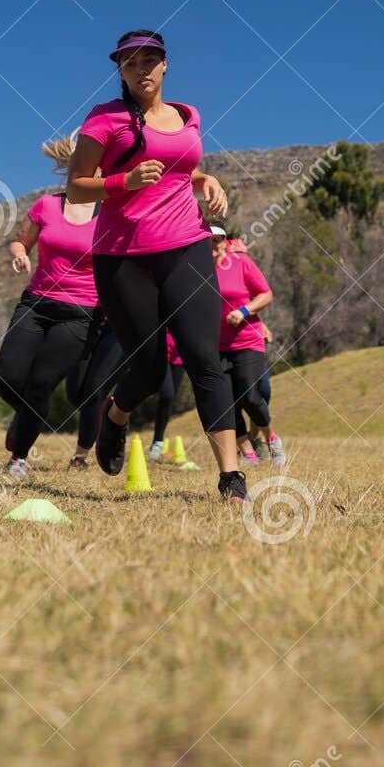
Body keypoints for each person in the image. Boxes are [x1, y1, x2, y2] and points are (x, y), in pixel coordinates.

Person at [65, 28, 247, 500]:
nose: (141, 69)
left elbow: (178, 169)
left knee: (205, 359)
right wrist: (123, 182)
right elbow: (77, 187)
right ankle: (117, 417)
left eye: (150, 60)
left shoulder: (188, 116)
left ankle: (231, 477)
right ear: (120, 70)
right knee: (146, 369)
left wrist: (205, 179)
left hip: (186, 246)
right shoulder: (104, 120)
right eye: (131, 62)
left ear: (166, 64)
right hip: (123, 257)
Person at [0, 136, 106, 477]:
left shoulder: (113, 214)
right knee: (7, 377)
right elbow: (19, 240)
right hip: (37, 303)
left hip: (82, 313)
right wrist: (18, 255)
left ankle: (19, 459)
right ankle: (26, 416)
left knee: (41, 382)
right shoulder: (46, 205)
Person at [212, 226, 285, 466]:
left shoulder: (240, 262)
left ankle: (271, 438)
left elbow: (265, 293)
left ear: (225, 242)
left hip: (247, 340)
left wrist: (244, 311)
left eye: (218, 240)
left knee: (250, 396)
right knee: (226, 402)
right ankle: (248, 454)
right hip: (216, 345)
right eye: (208, 240)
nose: (213, 244)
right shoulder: (198, 270)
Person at [148, 332, 185, 460]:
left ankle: (158, 441)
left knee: (169, 398)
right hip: (160, 349)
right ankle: (157, 442)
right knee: (167, 394)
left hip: (180, 352)